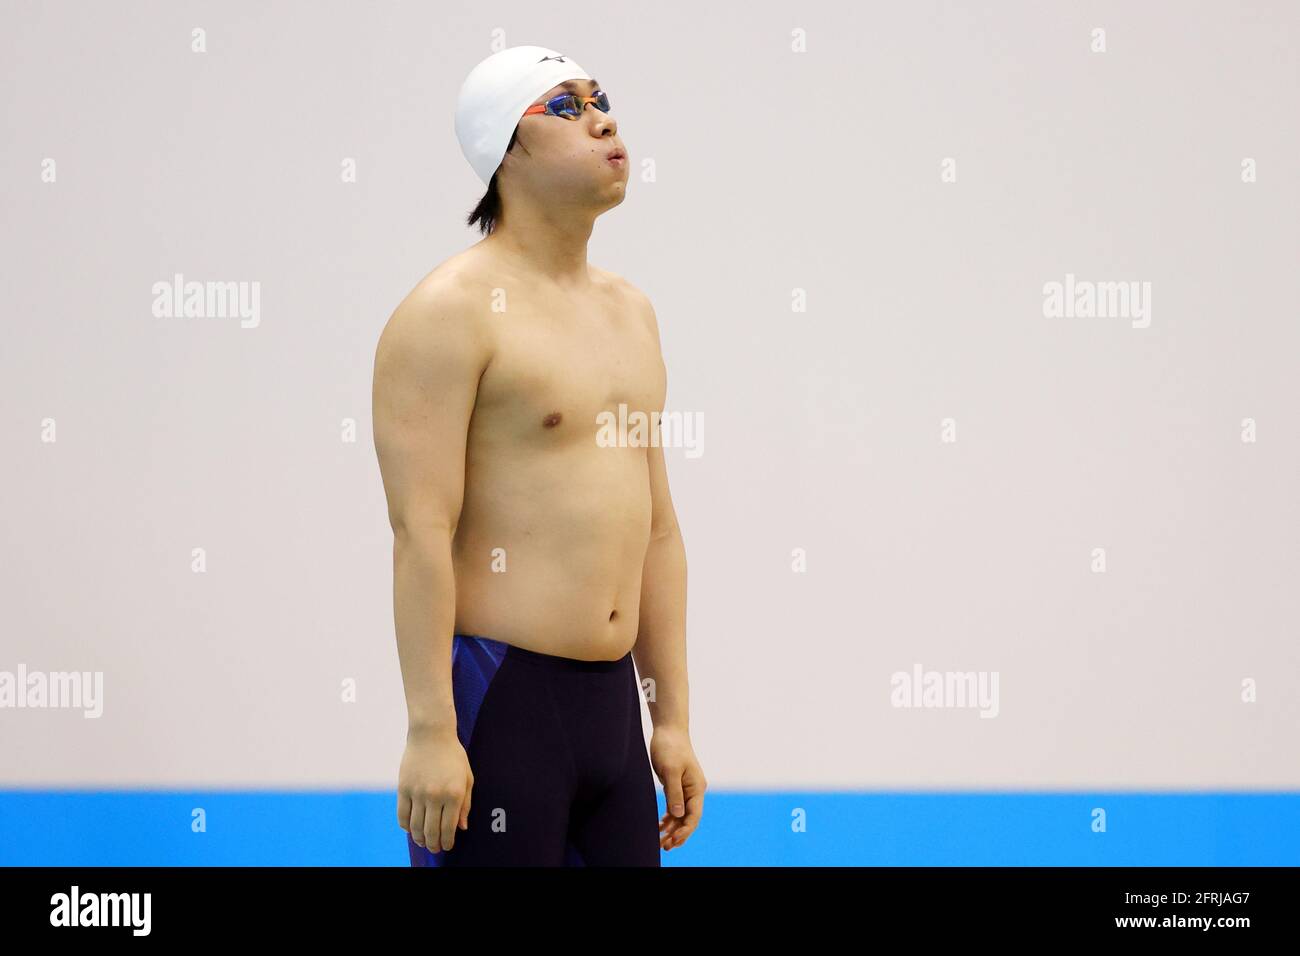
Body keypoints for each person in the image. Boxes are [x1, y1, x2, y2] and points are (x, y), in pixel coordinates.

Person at [371, 45, 706, 865]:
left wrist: (670, 719)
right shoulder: (448, 313)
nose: (604, 119)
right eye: (565, 107)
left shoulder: (633, 313)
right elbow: (421, 530)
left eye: (602, 99)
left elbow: (658, 528)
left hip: (614, 714)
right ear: (503, 152)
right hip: (503, 703)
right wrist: (429, 731)